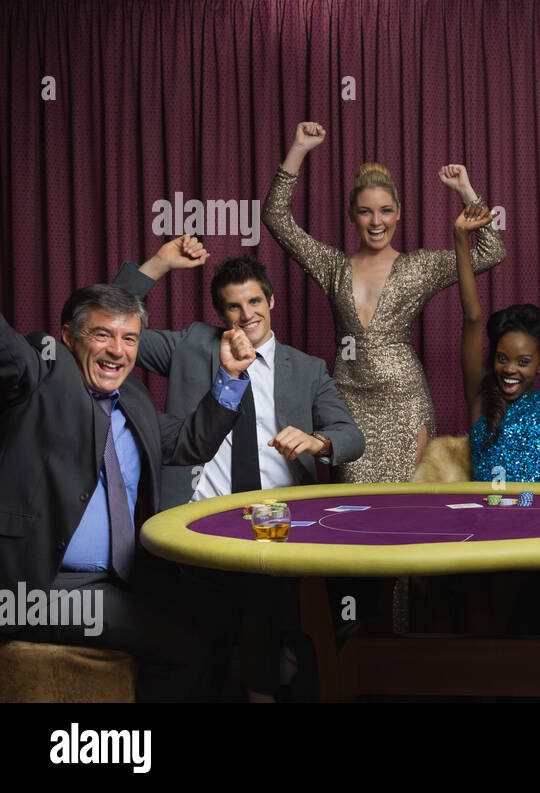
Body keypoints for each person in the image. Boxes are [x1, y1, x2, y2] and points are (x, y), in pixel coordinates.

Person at [112, 238, 365, 701]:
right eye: (233, 306)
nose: (247, 314)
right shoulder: (189, 346)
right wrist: (158, 264)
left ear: (271, 301)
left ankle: (263, 684)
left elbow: (351, 435)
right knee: (199, 645)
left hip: (277, 526)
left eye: (254, 301)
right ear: (220, 314)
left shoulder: (306, 368)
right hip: (198, 523)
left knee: (265, 615)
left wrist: (318, 440)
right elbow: (109, 323)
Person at [0, 284, 254, 700]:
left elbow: (191, 442)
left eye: (129, 338)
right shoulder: (43, 370)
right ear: (67, 337)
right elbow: (9, 356)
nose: (117, 350)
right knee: (182, 643)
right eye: (102, 334)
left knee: (220, 611)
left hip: (119, 579)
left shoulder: (131, 396)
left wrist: (230, 377)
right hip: (37, 589)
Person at [262, 121, 507, 483]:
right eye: (365, 211)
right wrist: (298, 149)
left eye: (385, 210)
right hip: (348, 406)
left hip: (404, 404)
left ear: (398, 212)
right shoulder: (332, 267)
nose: (376, 221)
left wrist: (465, 190)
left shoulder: (419, 267)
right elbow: (275, 217)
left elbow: (492, 251)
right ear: (352, 215)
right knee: (355, 514)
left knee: (407, 512)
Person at [456, 204, 540, 482]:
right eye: (502, 358)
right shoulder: (481, 400)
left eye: (523, 362)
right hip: (483, 522)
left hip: (538, 523)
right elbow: (472, 318)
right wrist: (461, 238)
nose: (510, 368)